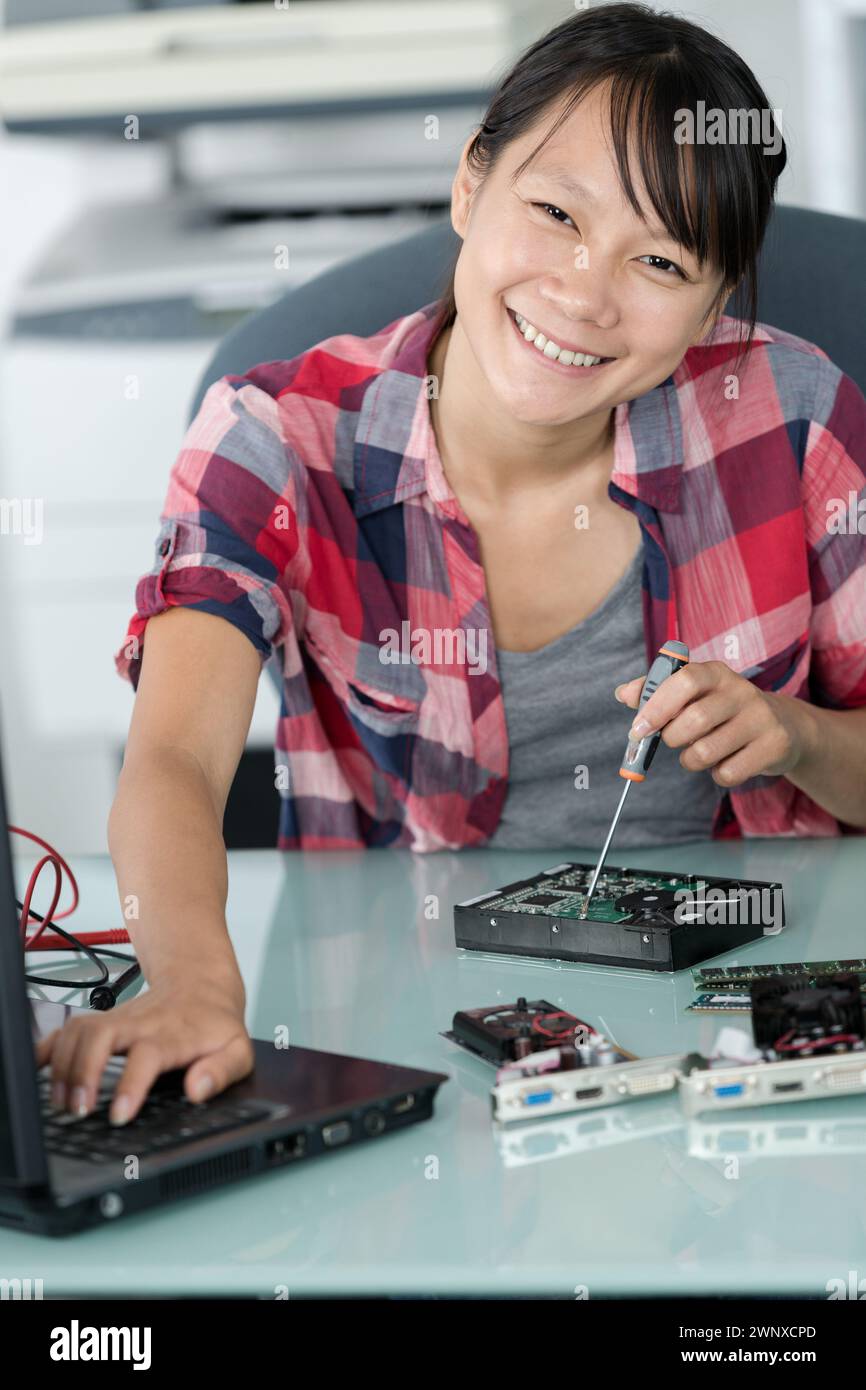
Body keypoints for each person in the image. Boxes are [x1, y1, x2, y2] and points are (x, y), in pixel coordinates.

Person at [38, 3, 866, 1124]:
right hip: (409, 1029)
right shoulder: (276, 441)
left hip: (752, 1033)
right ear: (471, 184)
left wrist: (800, 736)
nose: (583, 291)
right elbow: (177, 758)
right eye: (554, 212)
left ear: (715, 299)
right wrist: (191, 987)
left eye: (659, 259)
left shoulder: (794, 415)